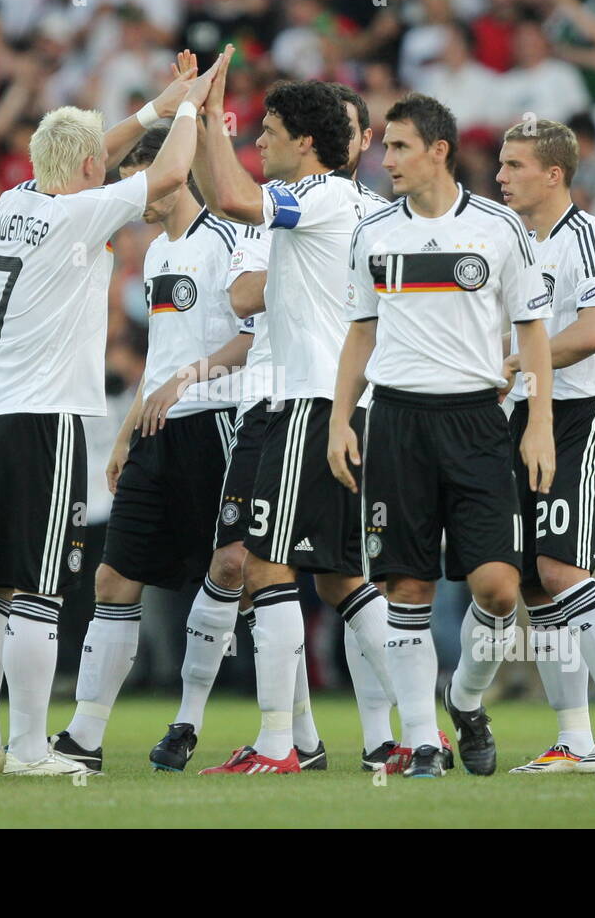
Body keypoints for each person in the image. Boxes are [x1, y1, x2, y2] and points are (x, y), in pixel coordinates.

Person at [0, 54, 223, 777]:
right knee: (42, 589)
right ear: (81, 169)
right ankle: (28, 748)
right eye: (95, 166)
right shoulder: (80, 210)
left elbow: (88, 153)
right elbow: (168, 177)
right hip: (44, 419)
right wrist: (192, 108)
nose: (104, 175)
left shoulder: (15, 202)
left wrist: (151, 110)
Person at [330, 92, 555, 778]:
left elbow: (533, 330)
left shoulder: (498, 228)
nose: (384, 158)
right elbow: (359, 331)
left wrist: (538, 419)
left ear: (439, 151)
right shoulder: (373, 234)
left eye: (398, 146)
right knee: (407, 587)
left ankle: (464, 698)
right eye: (384, 147)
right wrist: (342, 417)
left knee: (498, 588)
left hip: (476, 421)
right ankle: (424, 739)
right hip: (395, 419)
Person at [194, 44, 402, 776]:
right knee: (343, 577)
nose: (258, 142)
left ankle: (280, 745)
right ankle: (417, 730)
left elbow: (231, 200)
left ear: (306, 143)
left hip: (309, 400)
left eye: (269, 132)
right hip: (335, 400)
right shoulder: (345, 204)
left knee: (264, 564)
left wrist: (204, 118)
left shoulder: (320, 196)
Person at [48, 124, 252, 772]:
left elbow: (252, 337)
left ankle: (202, 720)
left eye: (144, 177)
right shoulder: (156, 257)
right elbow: (161, 357)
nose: (135, 195)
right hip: (157, 435)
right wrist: (133, 421)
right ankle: (85, 734)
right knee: (114, 575)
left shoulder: (227, 240)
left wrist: (191, 379)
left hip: (216, 422)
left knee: (235, 576)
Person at [496, 118, 595, 773]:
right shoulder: (509, 242)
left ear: (554, 174)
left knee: (563, 569)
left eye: (514, 165)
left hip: (579, 414)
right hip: (519, 416)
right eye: (500, 165)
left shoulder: (590, 237)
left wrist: (514, 359)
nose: (500, 176)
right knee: (532, 581)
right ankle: (574, 737)